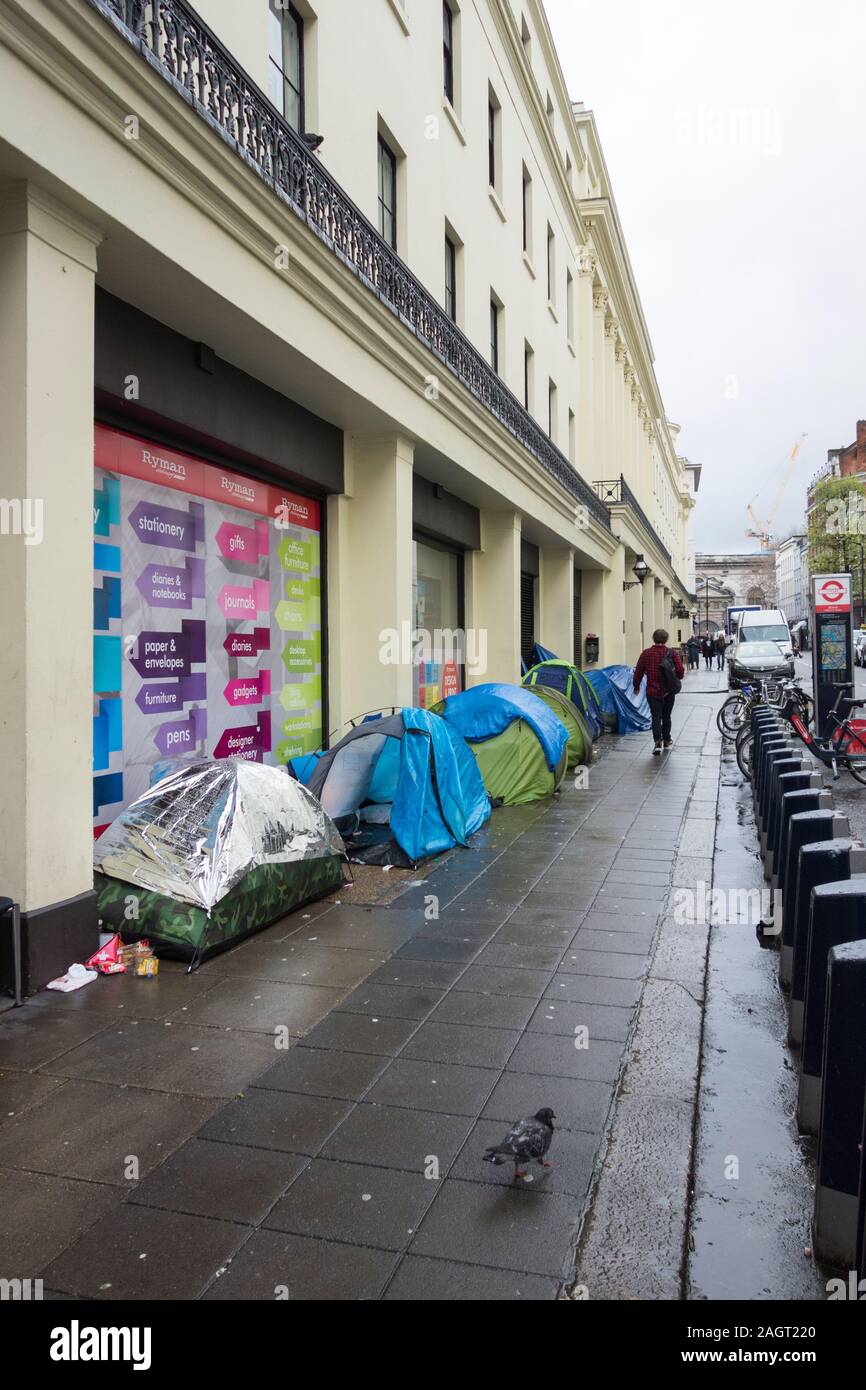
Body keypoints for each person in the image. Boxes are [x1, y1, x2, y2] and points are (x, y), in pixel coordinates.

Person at [633, 627, 684, 754]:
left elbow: (638, 671)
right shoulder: (672, 653)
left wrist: (636, 686)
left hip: (652, 691)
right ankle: (667, 739)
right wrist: (676, 677)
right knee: (667, 716)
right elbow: (680, 671)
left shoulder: (646, 653)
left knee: (655, 717)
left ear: (653, 639)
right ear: (666, 639)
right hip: (668, 691)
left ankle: (657, 742)